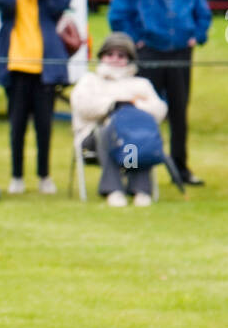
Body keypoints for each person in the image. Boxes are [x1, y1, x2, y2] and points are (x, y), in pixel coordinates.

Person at [109, 0, 211, 185]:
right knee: (143, 111)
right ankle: (139, 166)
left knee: (179, 111)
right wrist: (137, 42)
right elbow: (118, 17)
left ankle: (181, 168)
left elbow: (203, 11)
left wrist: (196, 35)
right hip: (149, 54)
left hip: (179, 54)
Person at [0, 0, 72, 194]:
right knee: (17, 125)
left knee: (44, 126)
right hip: (16, 68)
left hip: (44, 70)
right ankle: (17, 176)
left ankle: (44, 175)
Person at [71, 32, 168, 207]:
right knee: (108, 131)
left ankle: (140, 189)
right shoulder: (89, 81)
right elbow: (82, 106)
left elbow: (159, 110)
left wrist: (132, 106)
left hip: (131, 140)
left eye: (121, 55)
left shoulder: (141, 84)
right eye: (110, 54)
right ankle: (114, 189)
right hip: (93, 140)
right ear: (102, 57)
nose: (114, 59)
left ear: (129, 59)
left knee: (141, 137)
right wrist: (112, 105)